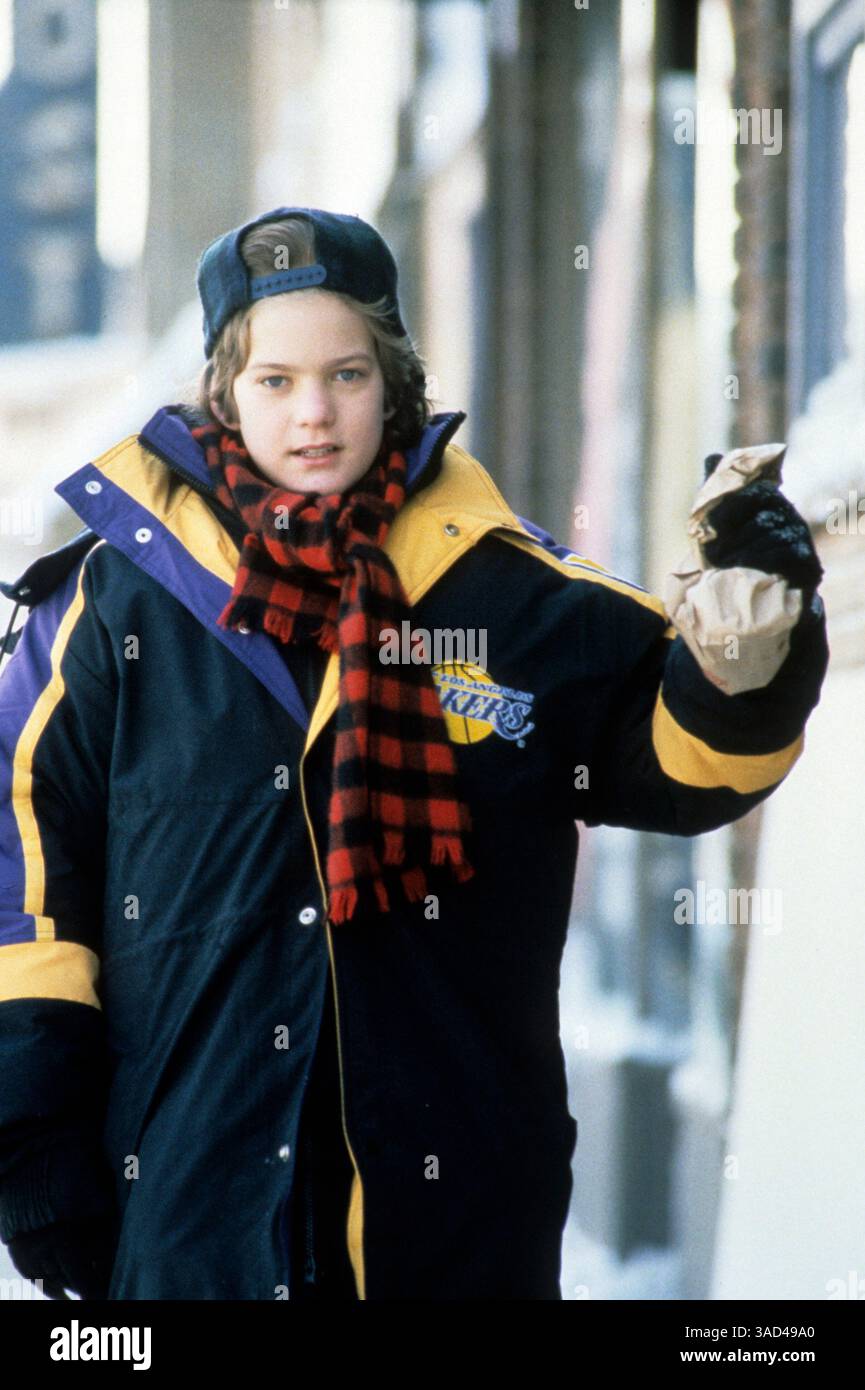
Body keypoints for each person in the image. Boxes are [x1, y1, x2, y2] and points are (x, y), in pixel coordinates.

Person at [0, 206, 828, 1301]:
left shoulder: (512, 598)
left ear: (394, 379)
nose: (313, 414)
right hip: (192, 1228)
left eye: (345, 374)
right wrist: (34, 1148)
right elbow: (24, 872)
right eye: (276, 380)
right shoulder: (111, 608)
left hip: (453, 1232)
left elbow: (682, 765)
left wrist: (747, 649)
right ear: (222, 392)